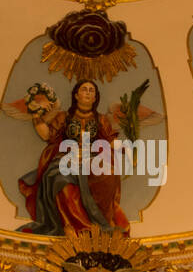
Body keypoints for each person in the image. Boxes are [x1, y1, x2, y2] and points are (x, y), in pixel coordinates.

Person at [19, 79, 129, 235]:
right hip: (67, 159)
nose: (88, 92)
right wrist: (36, 115)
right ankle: (73, 227)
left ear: (95, 97)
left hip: (91, 159)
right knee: (60, 180)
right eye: (84, 89)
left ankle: (101, 223)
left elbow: (110, 141)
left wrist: (128, 149)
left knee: (108, 173)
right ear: (76, 95)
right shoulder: (64, 117)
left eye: (92, 90)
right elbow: (47, 135)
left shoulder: (101, 120)